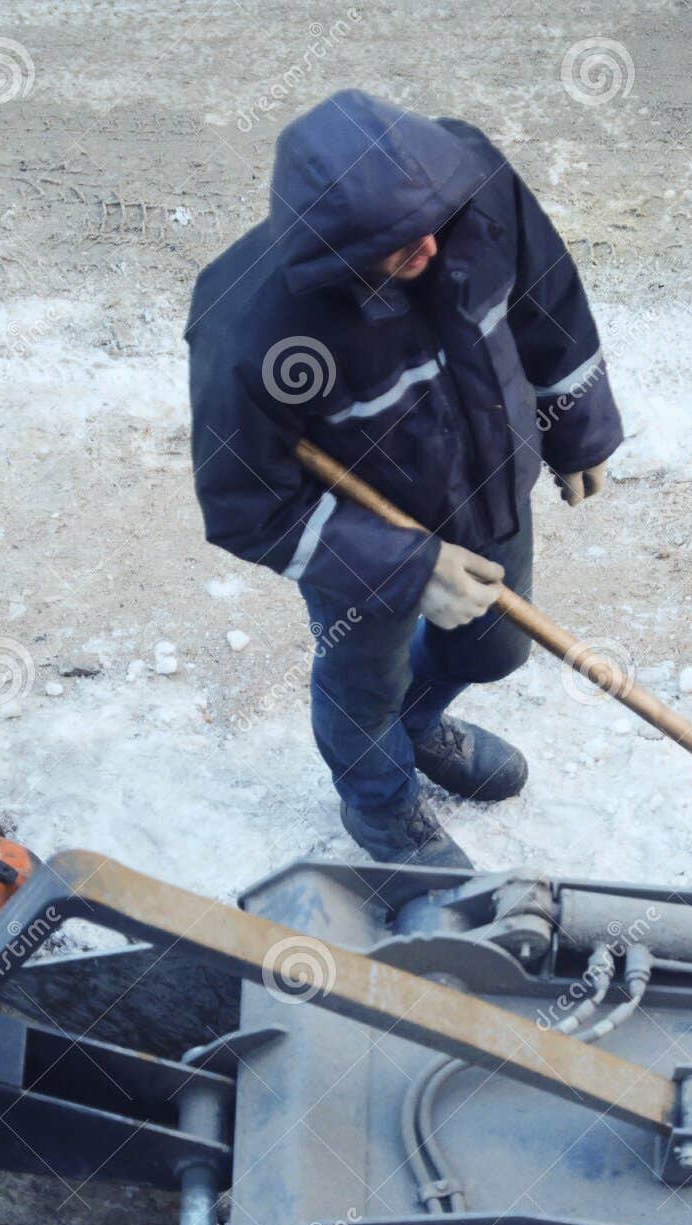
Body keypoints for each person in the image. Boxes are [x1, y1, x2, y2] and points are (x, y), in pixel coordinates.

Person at [187, 89, 623, 868]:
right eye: (390, 242)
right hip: (366, 544)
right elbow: (245, 507)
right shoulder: (250, 326)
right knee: (364, 685)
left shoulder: (470, 186)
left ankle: (416, 726)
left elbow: (545, 296)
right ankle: (380, 807)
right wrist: (410, 569)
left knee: (492, 650)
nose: (424, 244)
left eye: (429, 221)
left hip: (491, 489)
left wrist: (577, 422)